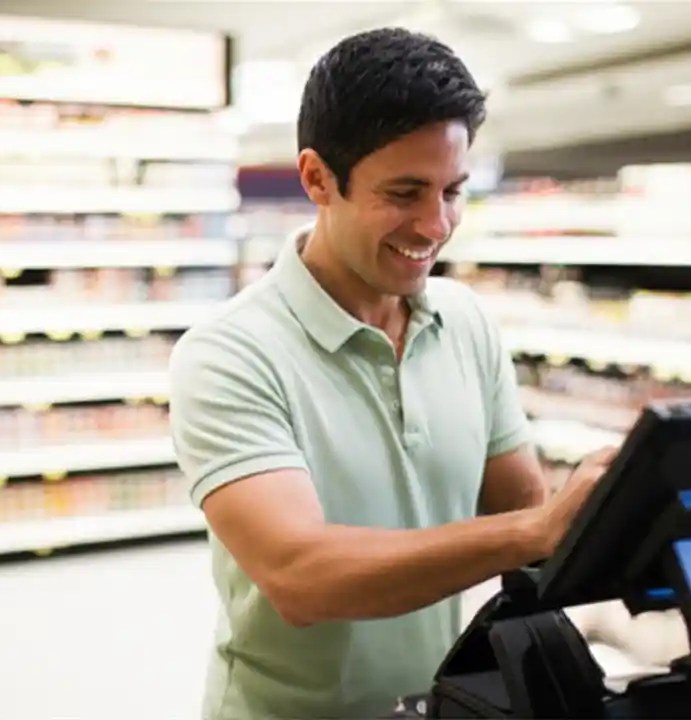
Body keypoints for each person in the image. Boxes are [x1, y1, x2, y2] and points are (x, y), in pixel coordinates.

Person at [169, 27, 616, 720]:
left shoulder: (465, 324)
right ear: (318, 178)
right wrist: (538, 531)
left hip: (431, 708)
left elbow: (524, 513)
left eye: (453, 191)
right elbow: (301, 576)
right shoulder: (230, 353)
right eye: (405, 193)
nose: (435, 225)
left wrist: (626, 517)